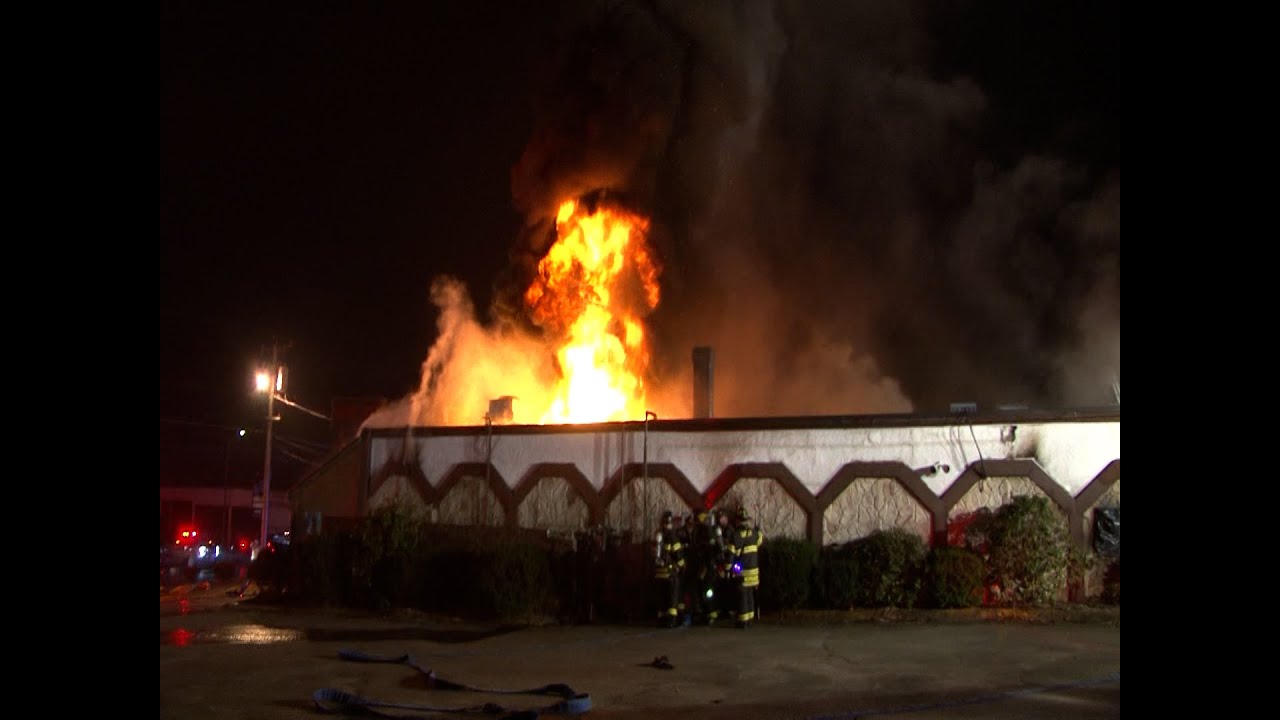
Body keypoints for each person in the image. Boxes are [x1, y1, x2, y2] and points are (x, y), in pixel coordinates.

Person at [727, 507, 764, 629]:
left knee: (742, 595)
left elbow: (731, 555)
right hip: (754, 571)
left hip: (741, 568)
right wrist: (758, 529)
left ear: (738, 521)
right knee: (749, 595)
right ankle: (749, 619)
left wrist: (729, 568)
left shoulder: (735, 536)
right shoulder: (754, 534)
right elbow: (760, 540)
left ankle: (742, 621)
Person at [653, 510, 685, 628]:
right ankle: (671, 621)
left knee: (662, 598)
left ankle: (661, 619)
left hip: (659, 574)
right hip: (670, 573)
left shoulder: (658, 536)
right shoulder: (673, 537)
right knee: (672, 597)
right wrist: (682, 567)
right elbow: (678, 555)